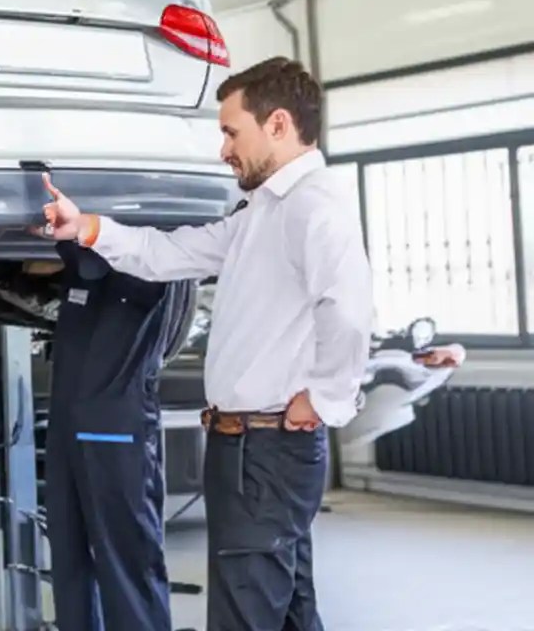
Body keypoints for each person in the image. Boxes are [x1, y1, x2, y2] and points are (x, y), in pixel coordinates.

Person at [40, 56, 374, 631]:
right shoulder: (263, 211)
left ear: (277, 125)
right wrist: (89, 227)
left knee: (244, 611)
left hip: (267, 446)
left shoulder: (313, 206)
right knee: (287, 606)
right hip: (249, 444)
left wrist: (325, 398)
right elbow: (172, 254)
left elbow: (348, 308)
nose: (223, 150)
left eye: (230, 132)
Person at [44, 238, 192, 630]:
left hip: (114, 427)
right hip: (67, 425)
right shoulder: (83, 268)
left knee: (125, 560)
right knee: (68, 553)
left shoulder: (150, 269)